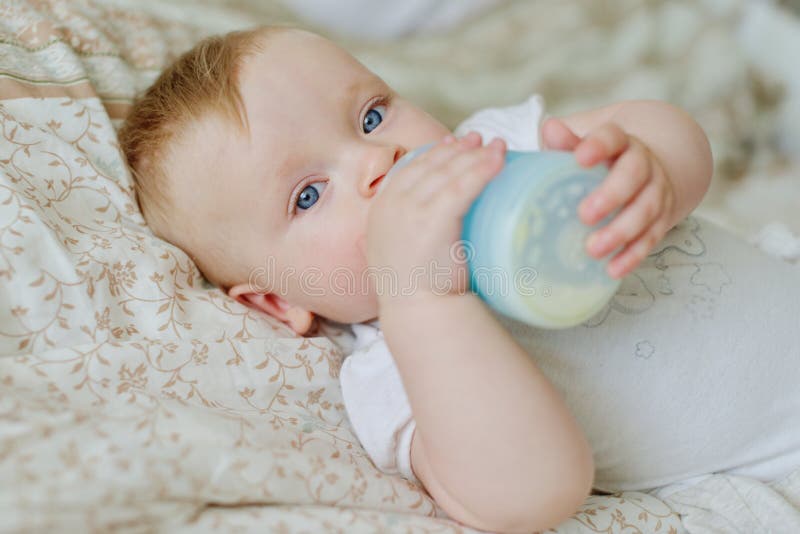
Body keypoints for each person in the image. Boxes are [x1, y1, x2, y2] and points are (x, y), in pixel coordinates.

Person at [118, 26, 800, 533]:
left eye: (371, 115)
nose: (377, 160)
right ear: (278, 300)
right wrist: (422, 298)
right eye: (308, 195)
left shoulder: (498, 147)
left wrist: (650, 166)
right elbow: (535, 490)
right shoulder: (393, 371)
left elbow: (665, 135)